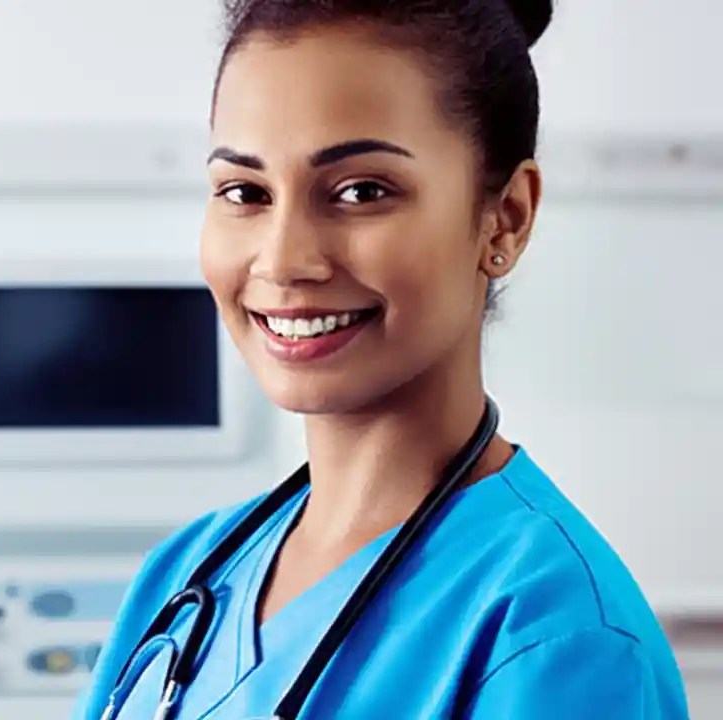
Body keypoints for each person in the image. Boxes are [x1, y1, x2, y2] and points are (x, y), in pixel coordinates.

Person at [71, 1, 691, 718]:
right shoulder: (184, 577)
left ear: (507, 217)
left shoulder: (558, 638)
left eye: (362, 191)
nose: (283, 260)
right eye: (245, 192)